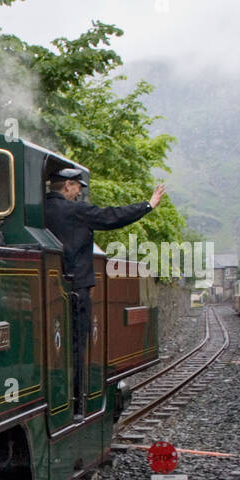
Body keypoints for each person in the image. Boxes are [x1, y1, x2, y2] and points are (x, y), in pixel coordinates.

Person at [45, 169, 167, 420]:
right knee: (79, 344)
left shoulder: (37, 211)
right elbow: (111, 216)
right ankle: (78, 402)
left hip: (49, 287)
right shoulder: (75, 211)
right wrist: (148, 205)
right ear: (67, 185)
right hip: (76, 287)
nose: (80, 192)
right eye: (78, 187)